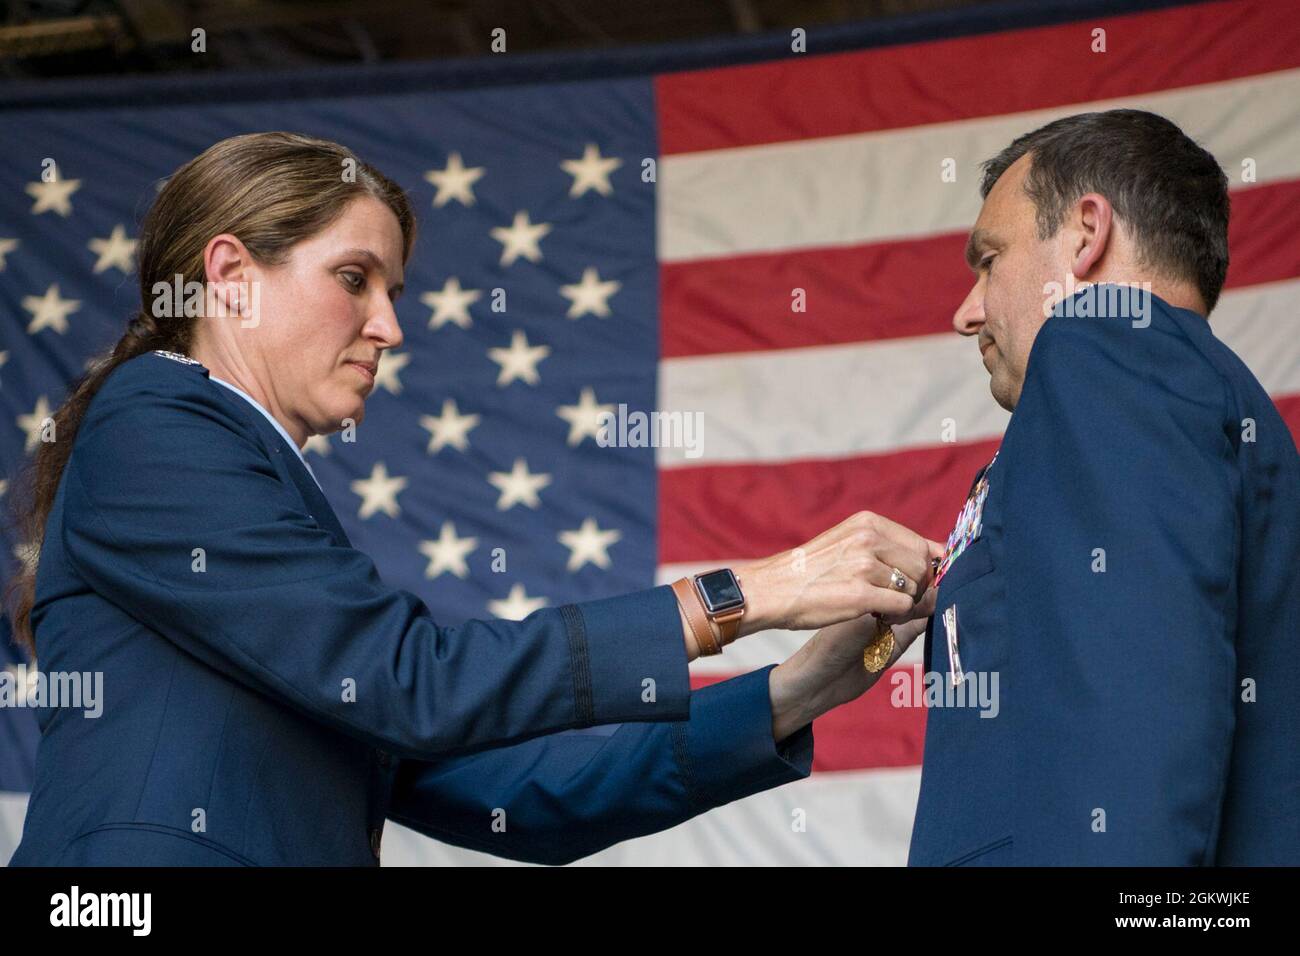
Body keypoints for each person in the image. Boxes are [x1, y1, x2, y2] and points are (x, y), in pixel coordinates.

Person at [4, 132, 938, 866]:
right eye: (353, 278)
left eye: (393, 289)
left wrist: (789, 692)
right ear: (231, 276)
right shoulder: (154, 417)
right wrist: (746, 595)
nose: (389, 325)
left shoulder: (257, 499)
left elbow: (524, 794)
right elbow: (413, 680)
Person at [908, 109, 1300, 866]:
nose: (967, 313)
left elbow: (1133, 717)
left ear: (1087, 234)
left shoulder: (1102, 351)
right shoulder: (1204, 396)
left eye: (989, 260)